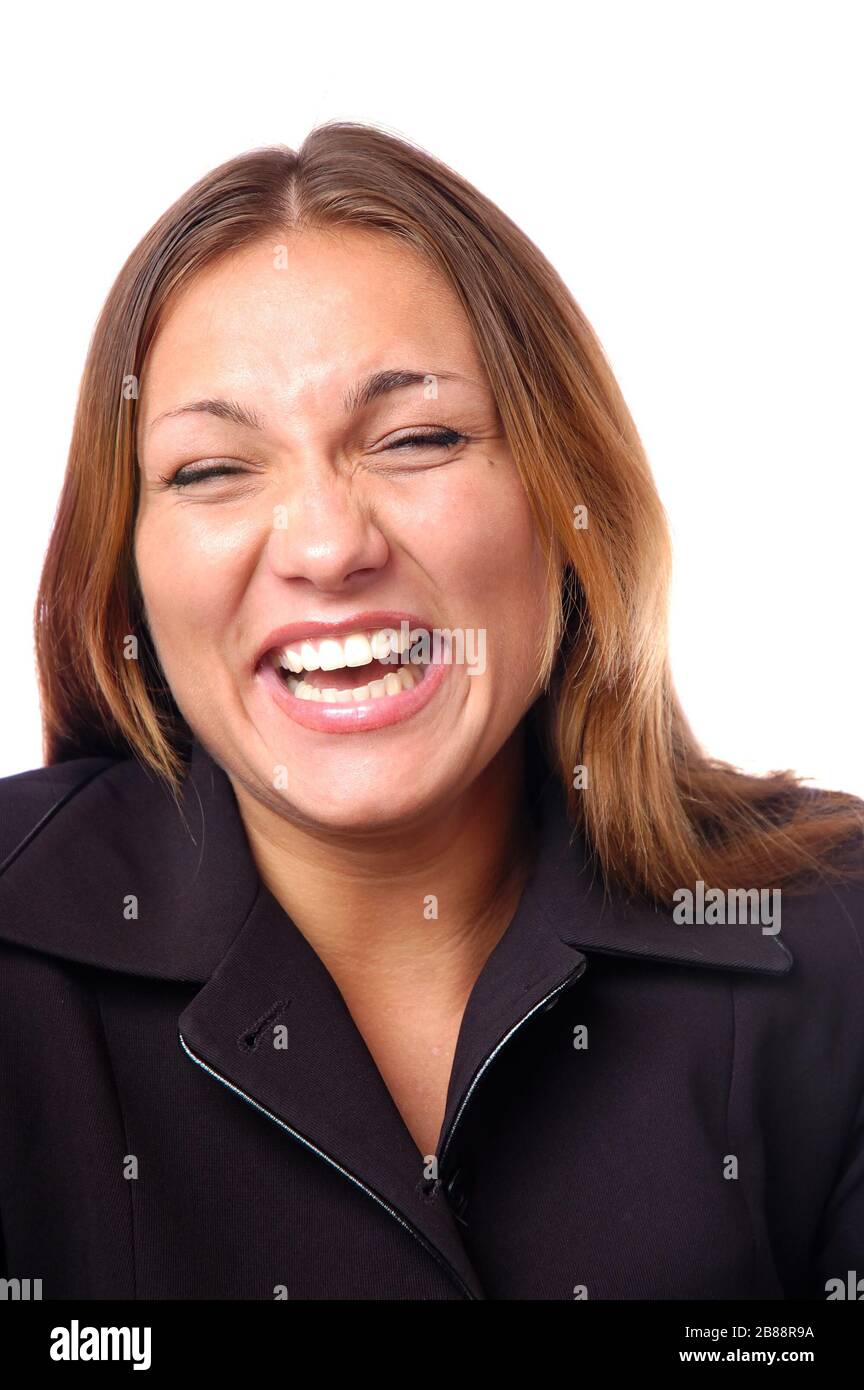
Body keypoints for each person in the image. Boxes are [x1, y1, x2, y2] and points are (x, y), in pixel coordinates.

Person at [1, 122, 862, 1300]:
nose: (325, 544)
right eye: (211, 469)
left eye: (418, 440)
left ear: (570, 501)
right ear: (126, 567)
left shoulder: (832, 945)